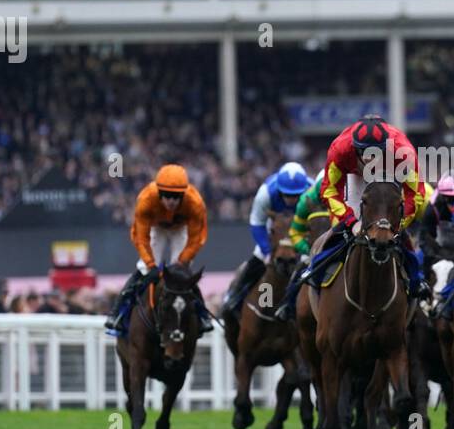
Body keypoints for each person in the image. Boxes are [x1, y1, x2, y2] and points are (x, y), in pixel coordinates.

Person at [273, 115, 429, 321]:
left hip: (389, 175)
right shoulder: (340, 148)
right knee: (339, 232)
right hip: (354, 177)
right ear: (355, 147)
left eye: (375, 153)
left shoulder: (403, 151)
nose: (369, 158)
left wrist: (397, 226)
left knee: (398, 234)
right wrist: (350, 221)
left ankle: (417, 280)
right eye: (363, 152)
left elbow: (415, 195)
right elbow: (329, 191)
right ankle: (313, 270)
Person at [105, 163, 211, 336]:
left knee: (182, 273)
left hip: (180, 229)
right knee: (144, 268)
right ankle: (116, 312)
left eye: (176, 197)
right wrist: (151, 265)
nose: (172, 202)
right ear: (158, 193)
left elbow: (196, 239)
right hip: (156, 228)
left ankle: (202, 315)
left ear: (183, 195)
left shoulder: (195, 202)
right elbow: (140, 237)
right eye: (167, 196)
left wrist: (182, 262)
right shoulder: (146, 199)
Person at [218, 161, 312, 322]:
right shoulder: (266, 192)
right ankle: (235, 297)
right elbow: (257, 223)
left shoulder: (312, 191)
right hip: (275, 230)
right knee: (259, 259)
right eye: (287, 195)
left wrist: (306, 247)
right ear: (279, 190)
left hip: (301, 231)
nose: (291, 200)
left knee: (309, 263)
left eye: (295, 195)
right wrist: (267, 251)